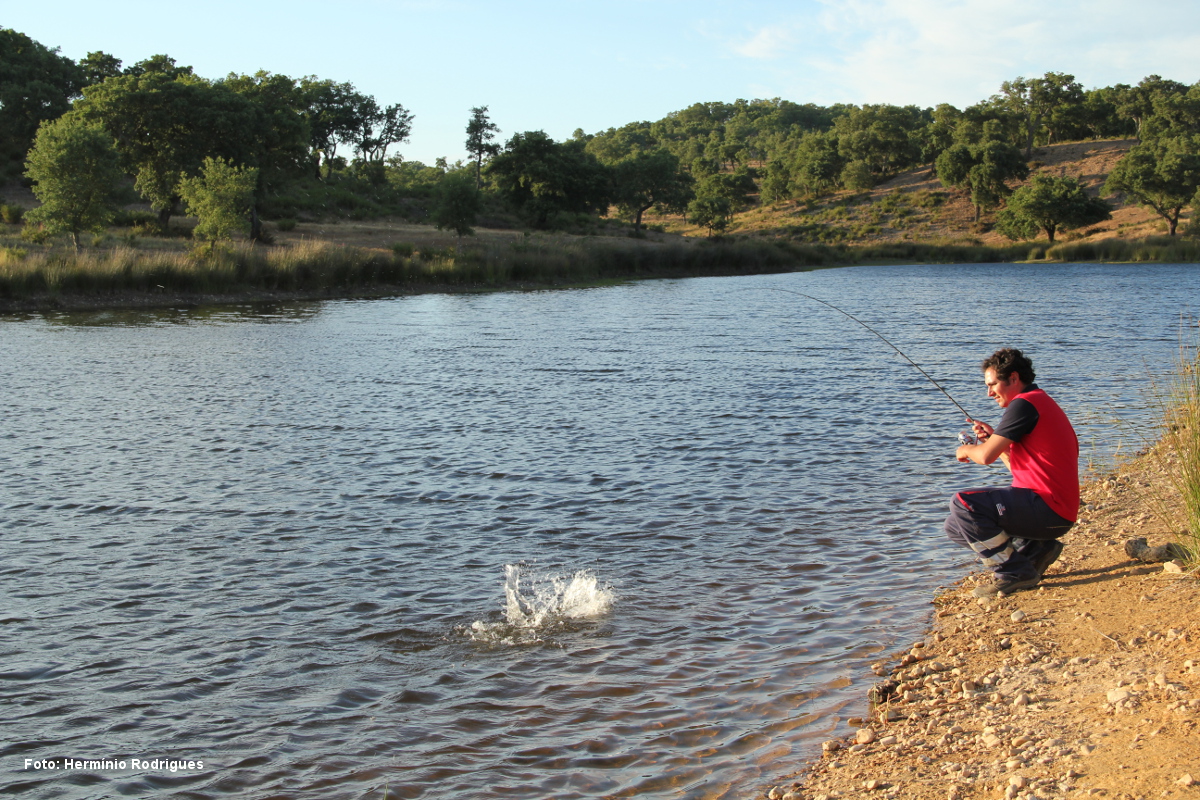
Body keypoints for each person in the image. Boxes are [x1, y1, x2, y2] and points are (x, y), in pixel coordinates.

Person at [944, 348, 1079, 597]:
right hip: (1054, 511)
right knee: (955, 525)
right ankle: (1035, 551)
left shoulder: (1024, 405)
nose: (989, 393)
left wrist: (965, 450)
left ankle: (1013, 572)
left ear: (1014, 378)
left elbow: (985, 457)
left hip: (1050, 509)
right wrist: (994, 439)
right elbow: (1018, 468)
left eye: (993, 384)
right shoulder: (1036, 402)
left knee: (963, 504)